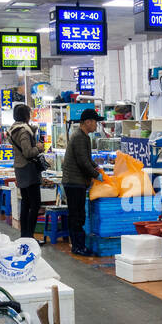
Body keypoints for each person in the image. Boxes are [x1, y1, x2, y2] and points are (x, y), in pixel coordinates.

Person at [62, 108, 103, 256]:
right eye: (95, 122)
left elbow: (87, 160)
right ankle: (78, 247)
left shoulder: (84, 136)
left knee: (78, 214)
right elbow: (82, 162)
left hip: (77, 182)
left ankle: (78, 245)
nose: (96, 125)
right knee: (77, 215)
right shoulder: (79, 137)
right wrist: (96, 174)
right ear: (87, 122)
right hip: (74, 182)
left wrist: (96, 167)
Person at [8, 103, 45, 240]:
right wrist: (39, 148)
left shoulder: (14, 129)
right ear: (26, 115)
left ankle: (25, 235)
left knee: (26, 202)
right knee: (35, 204)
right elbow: (28, 152)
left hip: (20, 168)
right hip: (28, 169)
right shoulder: (23, 131)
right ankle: (29, 236)